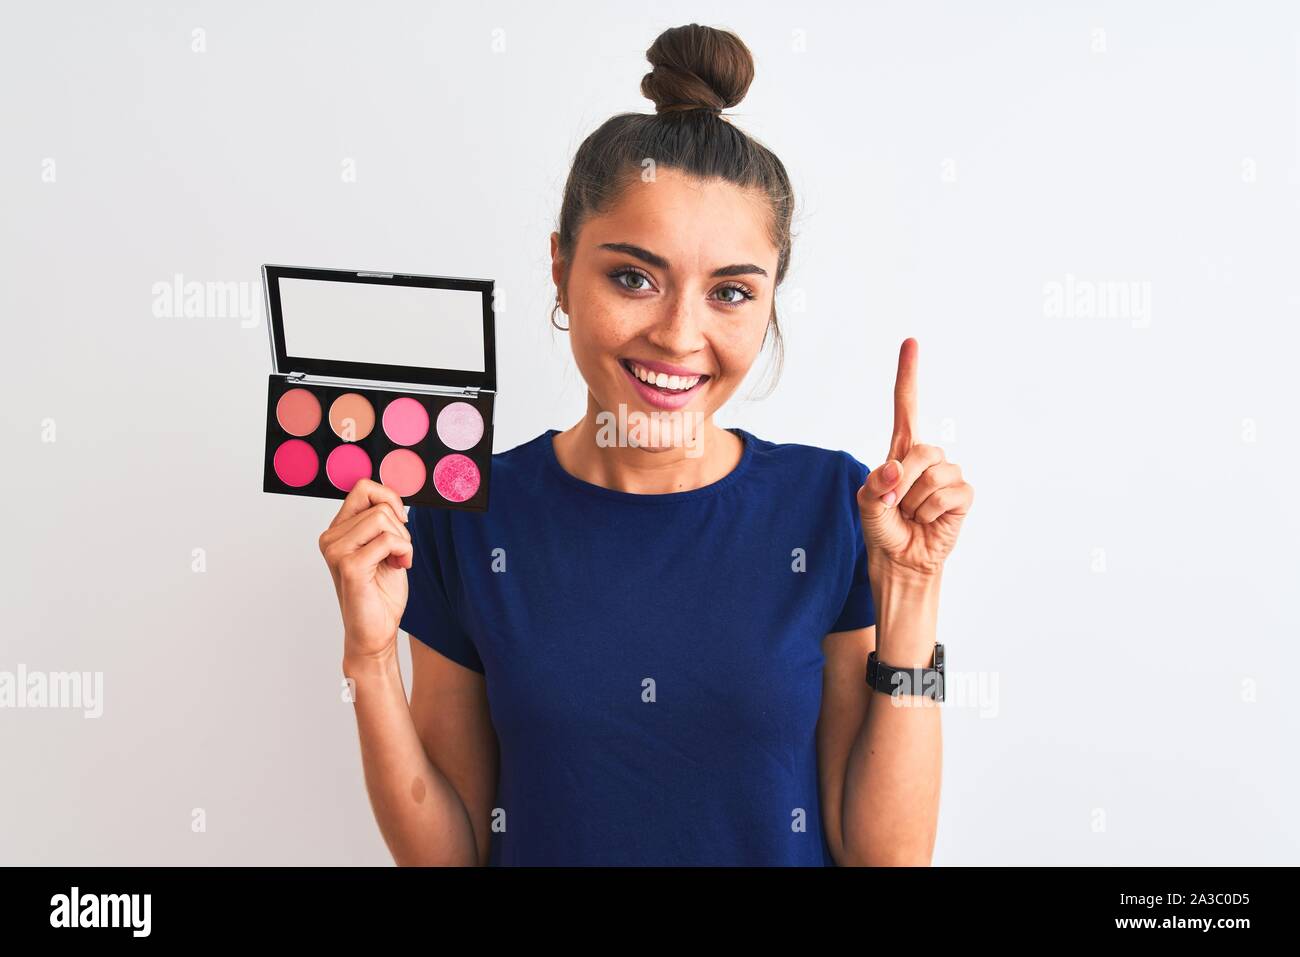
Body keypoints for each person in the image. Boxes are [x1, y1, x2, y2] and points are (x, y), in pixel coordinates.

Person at [319, 23, 973, 866]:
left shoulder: (836, 509)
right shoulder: (468, 512)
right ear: (560, 270)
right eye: (633, 277)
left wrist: (912, 587)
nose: (678, 334)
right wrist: (370, 659)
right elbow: (451, 857)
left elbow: (884, 857)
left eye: (731, 292)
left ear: (767, 304)